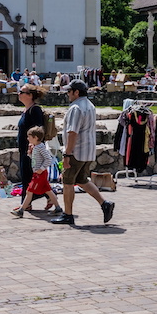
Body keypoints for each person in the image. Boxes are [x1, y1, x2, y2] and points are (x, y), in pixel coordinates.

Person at [51, 81, 114, 226]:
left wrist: (67, 154)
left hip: (76, 151)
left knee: (67, 182)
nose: (67, 94)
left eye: (69, 91)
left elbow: (72, 132)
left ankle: (68, 214)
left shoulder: (76, 108)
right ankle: (105, 203)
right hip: (87, 151)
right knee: (81, 179)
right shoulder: (90, 105)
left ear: (76, 92)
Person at [11, 126, 59, 217]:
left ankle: (21, 210)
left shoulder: (40, 147)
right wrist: (30, 153)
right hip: (38, 173)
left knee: (29, 191)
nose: (27, 139)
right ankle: (58, 208)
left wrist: (42, 168)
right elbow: (35, 159)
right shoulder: (36, 147)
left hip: (39, 174)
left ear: (35, 138)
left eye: (29, 137)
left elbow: (48, 159)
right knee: (48, 191)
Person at [16, 86, 47, 193]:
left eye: (21, 92)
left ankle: (25, 204)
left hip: (31, 150)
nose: (18, 93)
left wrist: (33, 145)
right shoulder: (26, 110)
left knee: (28, 177)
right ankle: (49, 197)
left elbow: (38, 130)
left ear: (30, 95)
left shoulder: (35, 110)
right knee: (28, 177)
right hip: (24, 149)